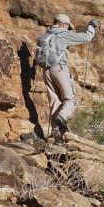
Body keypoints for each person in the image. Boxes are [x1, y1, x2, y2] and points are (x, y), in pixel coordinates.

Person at [34, 13, 97, 141]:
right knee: (70, 99)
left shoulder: (45, 36)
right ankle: (62, 117)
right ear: (64, 24)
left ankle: (55, 133)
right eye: (68, 26)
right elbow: (87, 37)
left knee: (55, 101)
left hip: (46, 71)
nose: (68, 29)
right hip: (59, 69)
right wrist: (91, 26)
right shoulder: (63, 34)